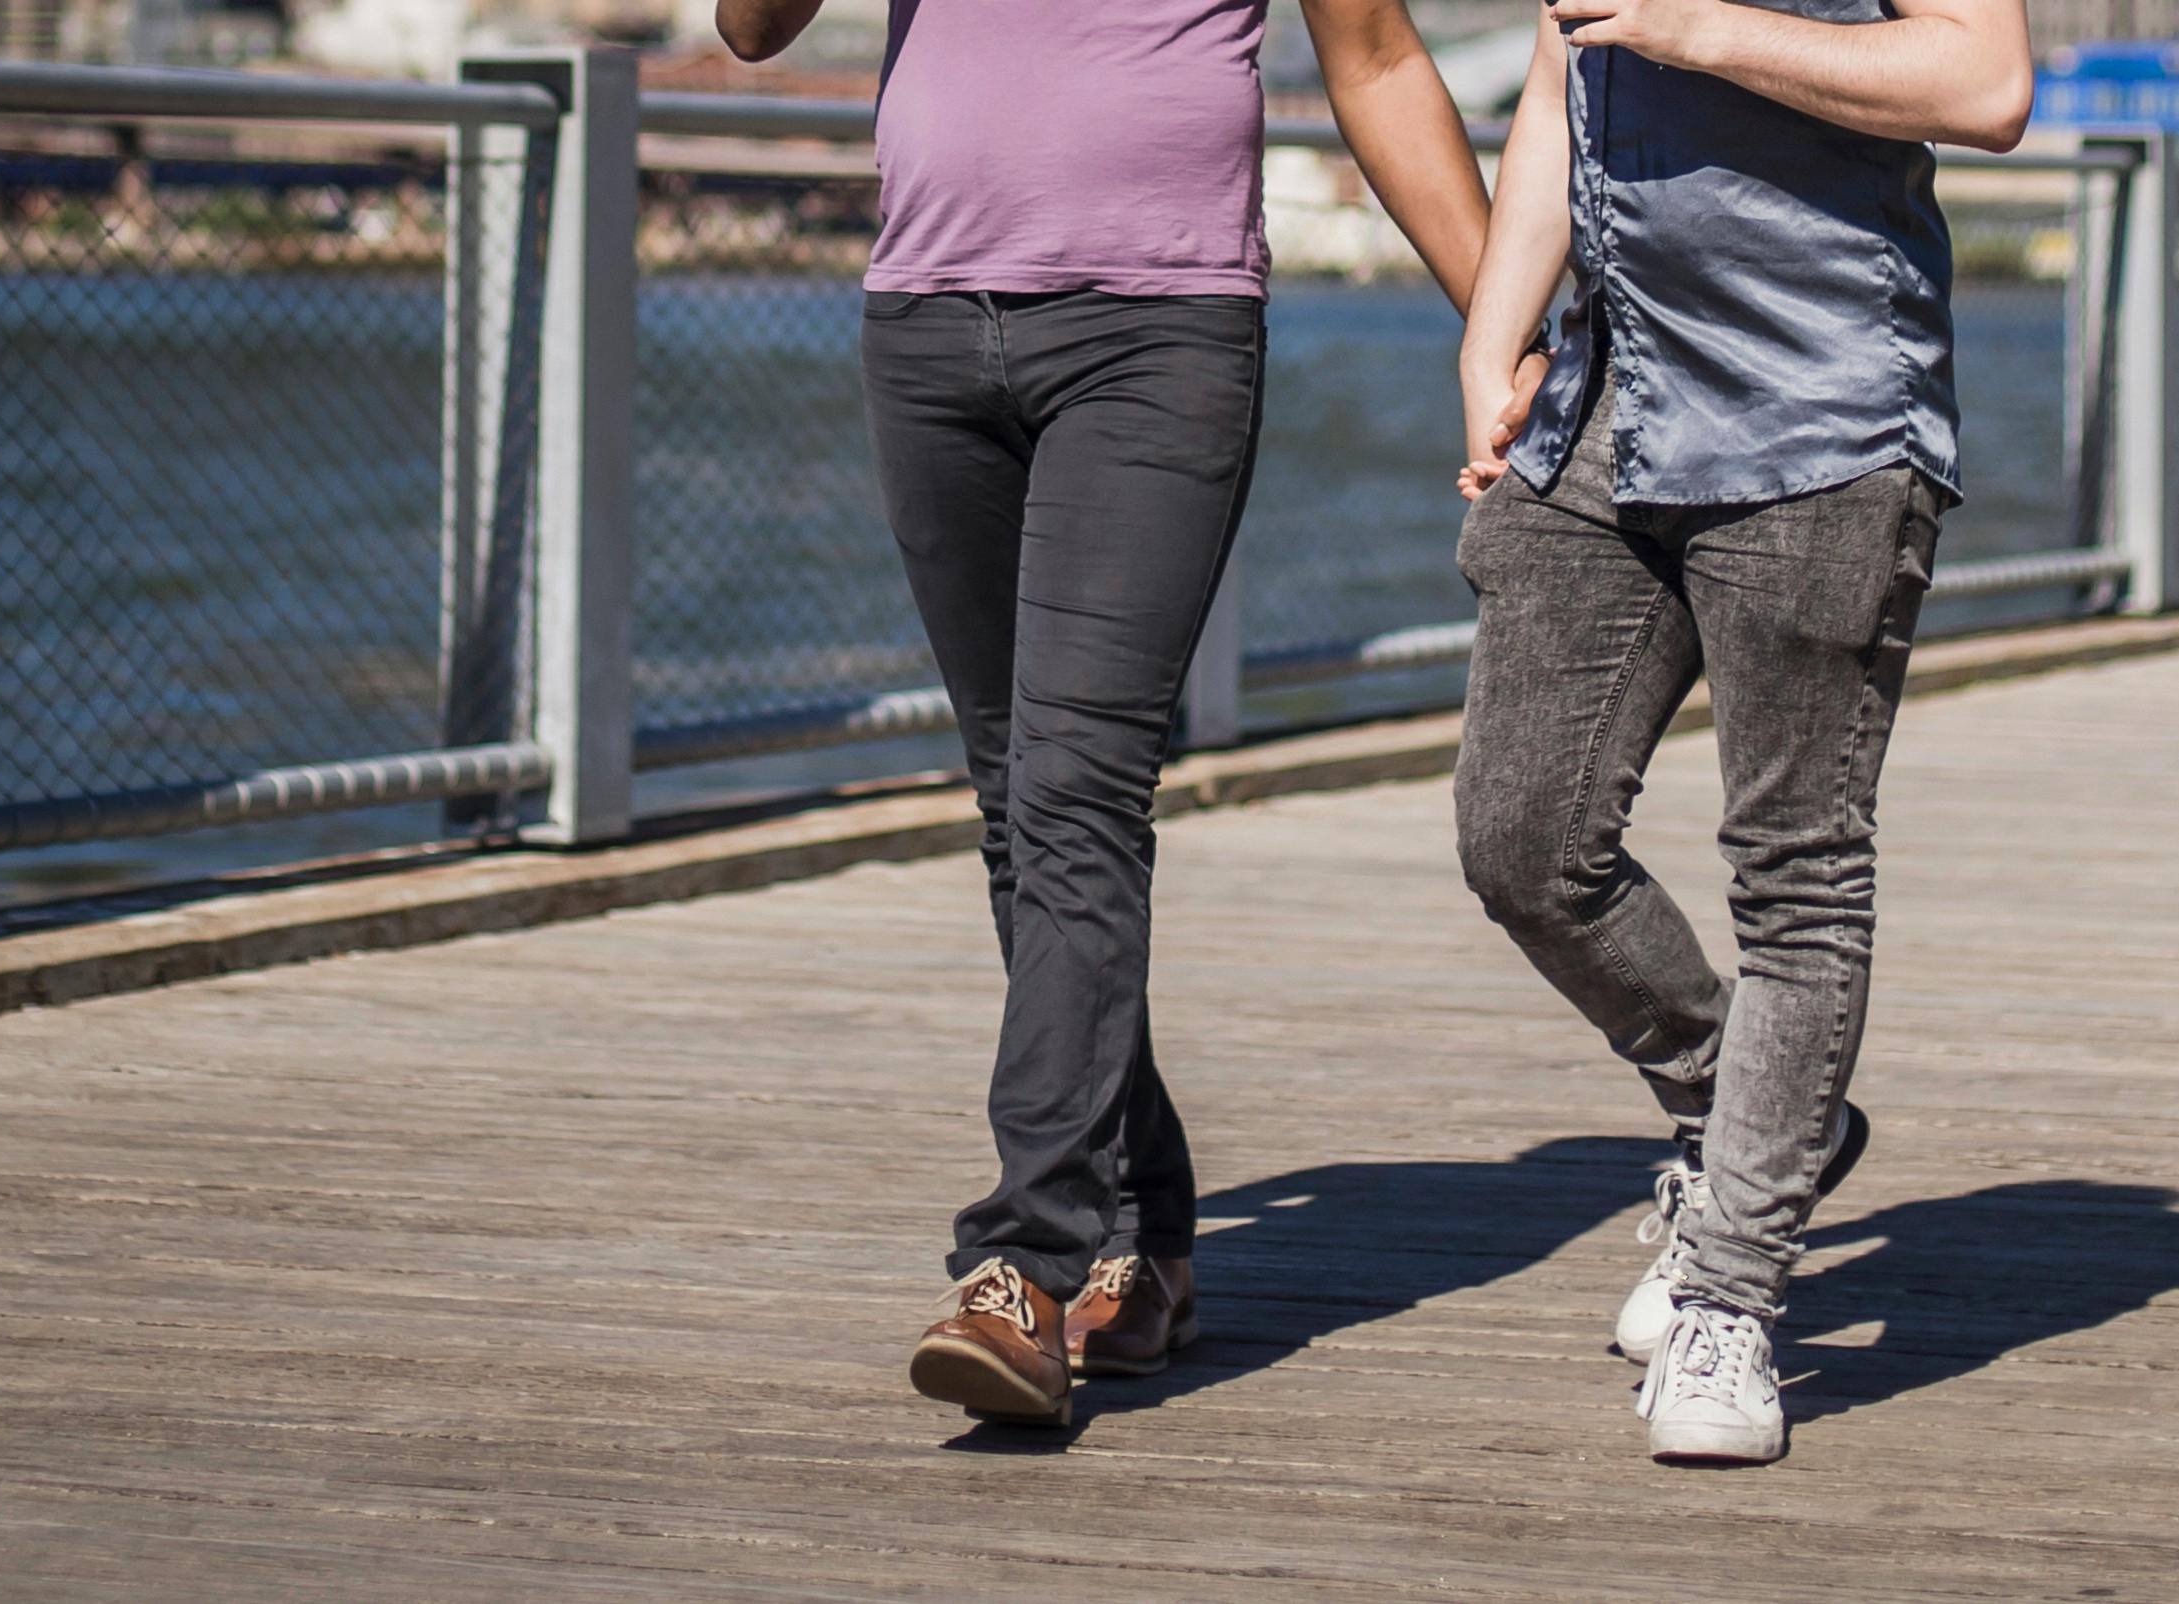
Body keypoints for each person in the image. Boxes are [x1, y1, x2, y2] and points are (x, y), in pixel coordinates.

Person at [718, 0, 1541, 1427]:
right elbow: (749, 29)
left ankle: (1023, 1268)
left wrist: (1514, 335)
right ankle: (1144, 1234)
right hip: (923, 322)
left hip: (1154, 335)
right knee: (1016, 807)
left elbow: (1376, 55)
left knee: (1074, 792)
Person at [1453, 0, 2032, 1463]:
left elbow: (1982, 80)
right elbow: (1557, 59)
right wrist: (1492, 330)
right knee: (1519, 837)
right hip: (1604, 407)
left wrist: (1698, 26)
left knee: (1795, 868)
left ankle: (1731, 1289)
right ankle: (1748, 1122)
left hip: (1818, 412)